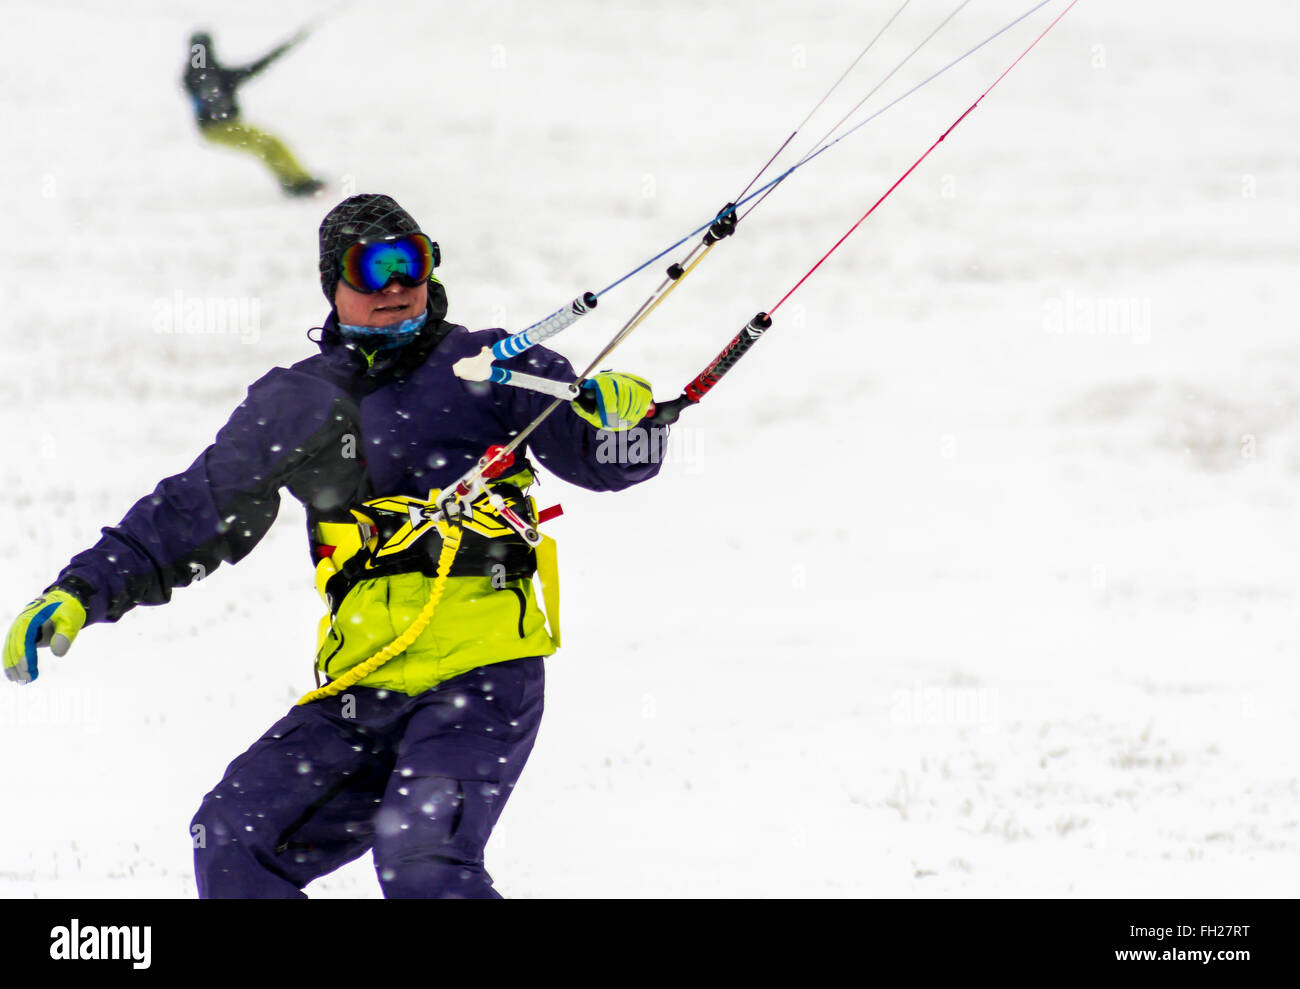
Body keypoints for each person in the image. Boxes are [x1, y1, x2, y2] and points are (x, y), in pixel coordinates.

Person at [3, 194, 666, 898]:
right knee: (231, 834)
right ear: (333, 283)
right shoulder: (299, 401)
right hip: (362, 687)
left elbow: (614, 458)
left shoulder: (491, 364)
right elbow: (195, 507)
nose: (395, 287)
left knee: (422, 858)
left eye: (409, 261)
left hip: (482, 673)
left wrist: (633, 419)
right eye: (371, 266)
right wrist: (78, 590)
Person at [183, 29, 325, 197]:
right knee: (268, 143)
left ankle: (294, 180)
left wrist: (284, 48)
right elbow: (200, 75)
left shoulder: (218, 74)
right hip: (215, 128)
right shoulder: (198, 74)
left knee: (268, 144)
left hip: (225, 125)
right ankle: (297, 181)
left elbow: (253, 68)